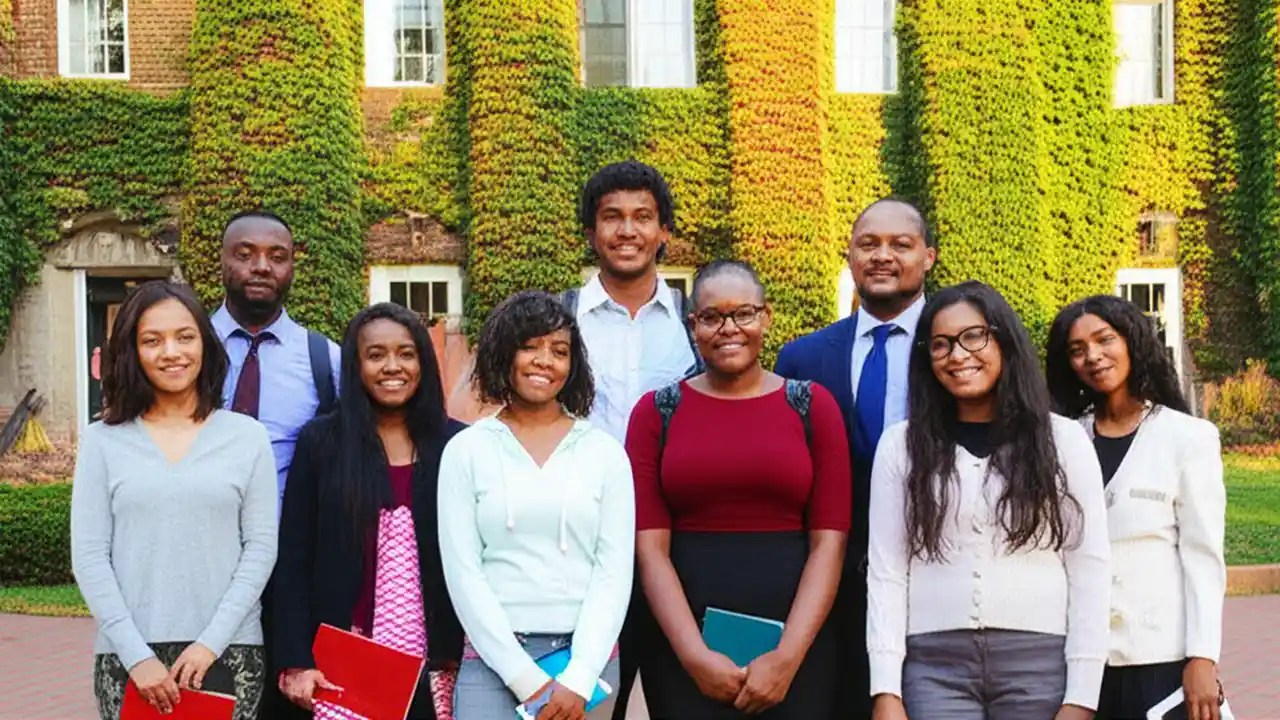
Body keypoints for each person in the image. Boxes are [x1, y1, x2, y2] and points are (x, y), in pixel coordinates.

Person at [866, 281, 1111, 720]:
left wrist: (1082, 696)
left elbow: (1089, 565)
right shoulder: (900, 446)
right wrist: (886, 690)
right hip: (933, 667)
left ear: (1004, 340)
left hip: (1038, 664)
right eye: (940, 345)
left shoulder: (1062, 440)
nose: (958, 355)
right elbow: (887, 572)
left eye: (973, 336)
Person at [627, 260, 851, 719]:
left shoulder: (812, 406)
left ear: (766, 317)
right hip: (684, 648)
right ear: (693, 326)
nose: (728, 328)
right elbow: (649, 549)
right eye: (711, 317)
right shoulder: (656, 413)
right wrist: (694, 656)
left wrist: (786, 657)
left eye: (743, 314)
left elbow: (830, 542)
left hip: (797, 645)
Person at [71, 280, 277, 720]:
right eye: (152, 340)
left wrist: (209, 645)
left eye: (185, 337)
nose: (171, 352)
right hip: (129, 657)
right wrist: (136, 656)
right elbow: (89, 556)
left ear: (205, 343)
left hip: (228, 652)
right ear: (132, 351)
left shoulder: (247, 437)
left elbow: (260, 550)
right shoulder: (102, 441)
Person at [773, 197, 937, 715]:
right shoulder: (801, 358)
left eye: (900, 245)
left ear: (928, 256)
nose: (882, 256)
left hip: (938, 578)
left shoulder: (963, 348)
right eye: (868, 244)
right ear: (849, 257)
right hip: (828, 588)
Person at [438, 291, 635, 719]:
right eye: (530, 346)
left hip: (586, 663)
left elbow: (614, 572)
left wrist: (580, 676)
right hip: (492, 663)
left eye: (559, 351)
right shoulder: (466, 451)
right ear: (503, 354)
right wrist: (524, 679)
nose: (545, 360)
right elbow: (463, 572)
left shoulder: (604, 453)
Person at [272, 303, 465, 720]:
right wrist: (296, 659)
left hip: (438, 658)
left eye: (406, 353)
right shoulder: (322, 443)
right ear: (355, 364)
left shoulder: (458, 446)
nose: (392, 366)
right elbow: (293, 558)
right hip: (344, 657)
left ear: (423, 363)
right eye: (375, 355)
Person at [1047, 295, 1226, 720]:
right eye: (1077, 349)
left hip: (1159, 659)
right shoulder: (1062, 441)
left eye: (1104, 340)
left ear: (1132, 341)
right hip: (1081, 661)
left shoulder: (1188, 438)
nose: (1092, 356)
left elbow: (1203, 558)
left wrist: (1202, 657)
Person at [566, 160, 701, 718]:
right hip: (579, 548)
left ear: (664, 231)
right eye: (612, 217)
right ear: (591, 231)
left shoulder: (698, 323)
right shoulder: (558, 319)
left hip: (680, 545)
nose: (627, 231)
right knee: (589, 701)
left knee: (684, 698)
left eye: (643, 217)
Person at [211, 209, 341, 719]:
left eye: (276, 256)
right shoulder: (184, 350)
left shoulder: (324, 359)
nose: (261, 266)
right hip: (207, 562)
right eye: (245, 254)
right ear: (221, 262)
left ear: (292, 267)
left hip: (290, 572)